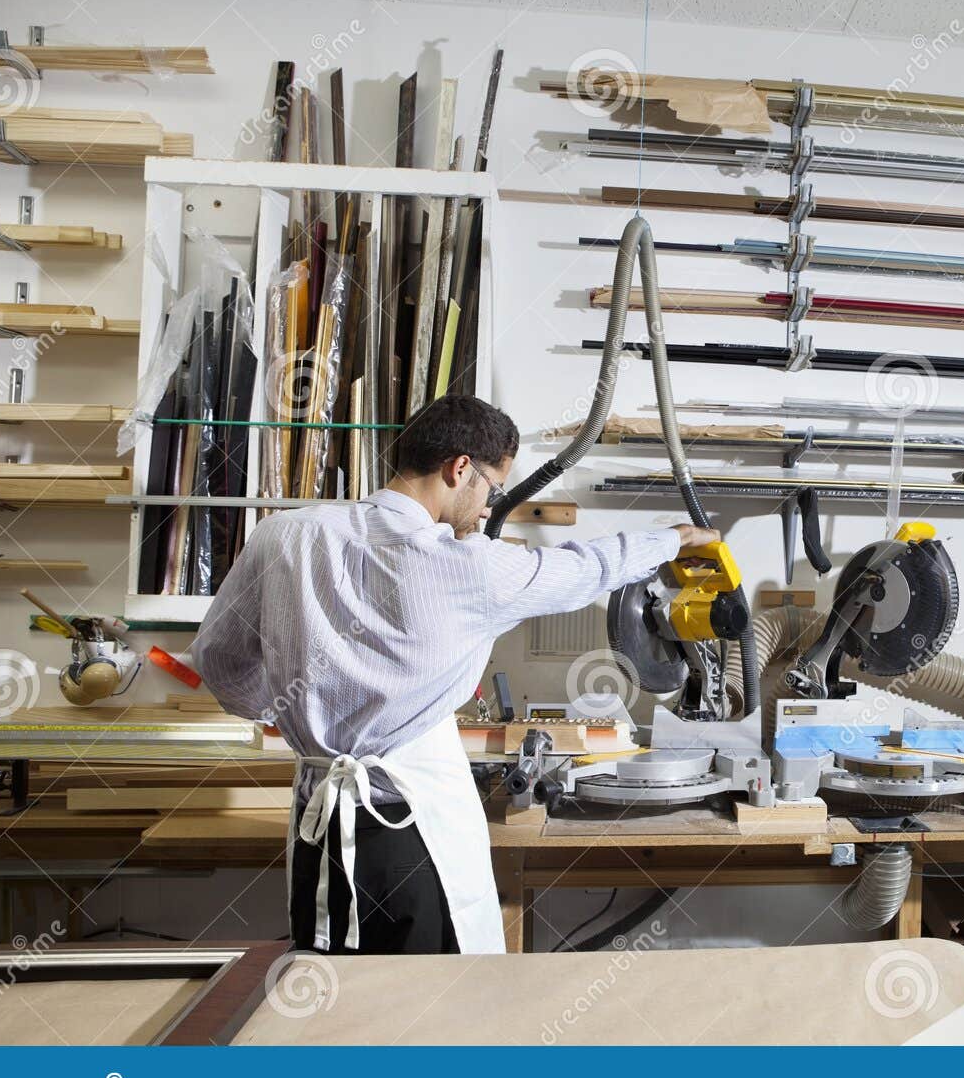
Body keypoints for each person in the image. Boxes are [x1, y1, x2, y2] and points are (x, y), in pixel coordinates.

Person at [189, 395, 717, 955]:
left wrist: (294, 712)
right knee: (426, 1018)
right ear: (459, 468)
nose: (489, 507)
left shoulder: (284, 537)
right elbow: (585, 568)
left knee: (331, 1010)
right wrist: (673, 540)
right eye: (492, 487)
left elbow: (219, 664)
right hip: (410, 838)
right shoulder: (472, 569)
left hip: (316, 825)